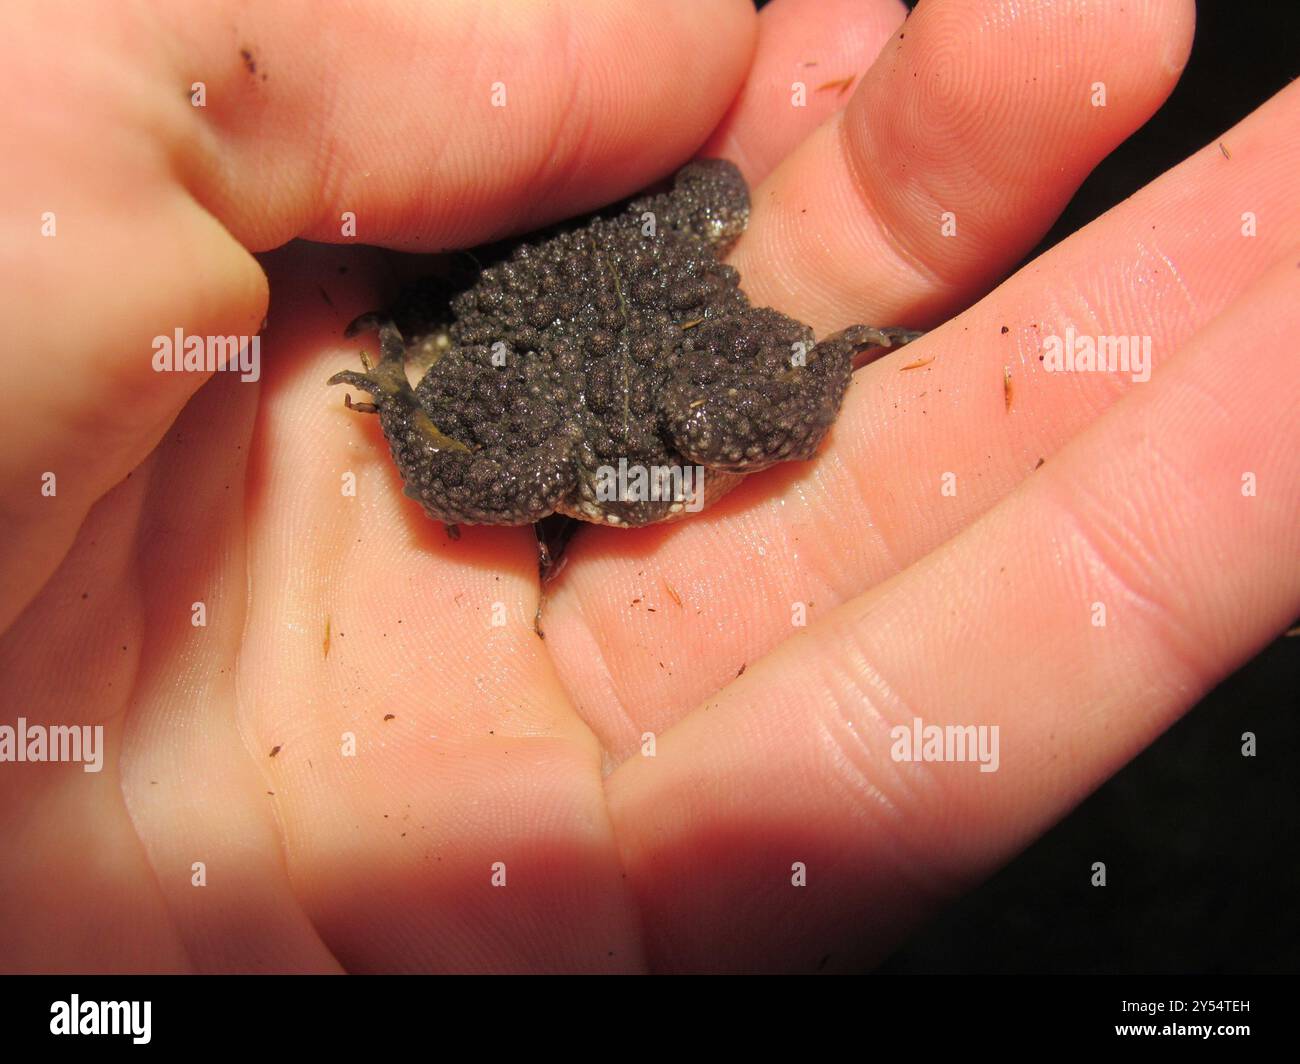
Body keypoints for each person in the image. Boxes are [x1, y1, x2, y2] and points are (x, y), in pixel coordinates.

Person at [0, 0, 1294, 973]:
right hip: (501, 344)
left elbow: (714, 199)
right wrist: (409, 393)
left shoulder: (695, 260)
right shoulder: (569, 441)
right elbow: (532, 408)